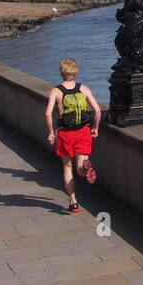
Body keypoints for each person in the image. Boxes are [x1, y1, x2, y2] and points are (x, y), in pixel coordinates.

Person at [44, 58, 101, 213]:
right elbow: (97, 110)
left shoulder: (56, 91)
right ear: (75, 71)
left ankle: (73, 201)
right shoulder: (83, 88)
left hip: (65, 133)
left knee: (67, 166)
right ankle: (85, 167)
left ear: (61, 71)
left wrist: (50, 133)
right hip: (83, 131)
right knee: (81, 164)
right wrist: (95, 128)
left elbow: (48, 114)